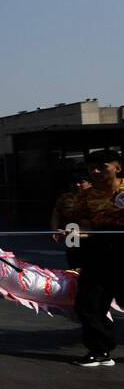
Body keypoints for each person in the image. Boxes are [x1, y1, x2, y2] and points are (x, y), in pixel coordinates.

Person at [65, 149, 124, 366]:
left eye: (102, 166)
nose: (96, 171)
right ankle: (99, 350)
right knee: (89, 304)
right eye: (91, 168)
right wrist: (75, 235)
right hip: (99, 253)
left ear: (117, 167)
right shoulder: (84, 197)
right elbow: (85, 226)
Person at [52, 174, 92, 270]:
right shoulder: (65, 197)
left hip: (91, 232)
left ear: (90, 183)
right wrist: (54, 230)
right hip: (71, 230)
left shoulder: (96, 195)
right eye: (74, 183)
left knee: (91, 260)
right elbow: (56, 214)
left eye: (81, 182)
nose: (77, 185)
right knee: (73, 260)